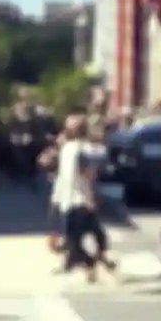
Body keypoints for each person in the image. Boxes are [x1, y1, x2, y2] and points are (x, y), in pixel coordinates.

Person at [51, 115, 103, 283]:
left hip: (77, 201)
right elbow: (64, 177)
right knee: (73, 239)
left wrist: (90, 199)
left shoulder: (79, 150)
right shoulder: (69, 149)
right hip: (70, 200)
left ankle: (90, 264)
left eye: (70, 127)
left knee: (73, 240)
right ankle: (89, 264)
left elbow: (86, 176)